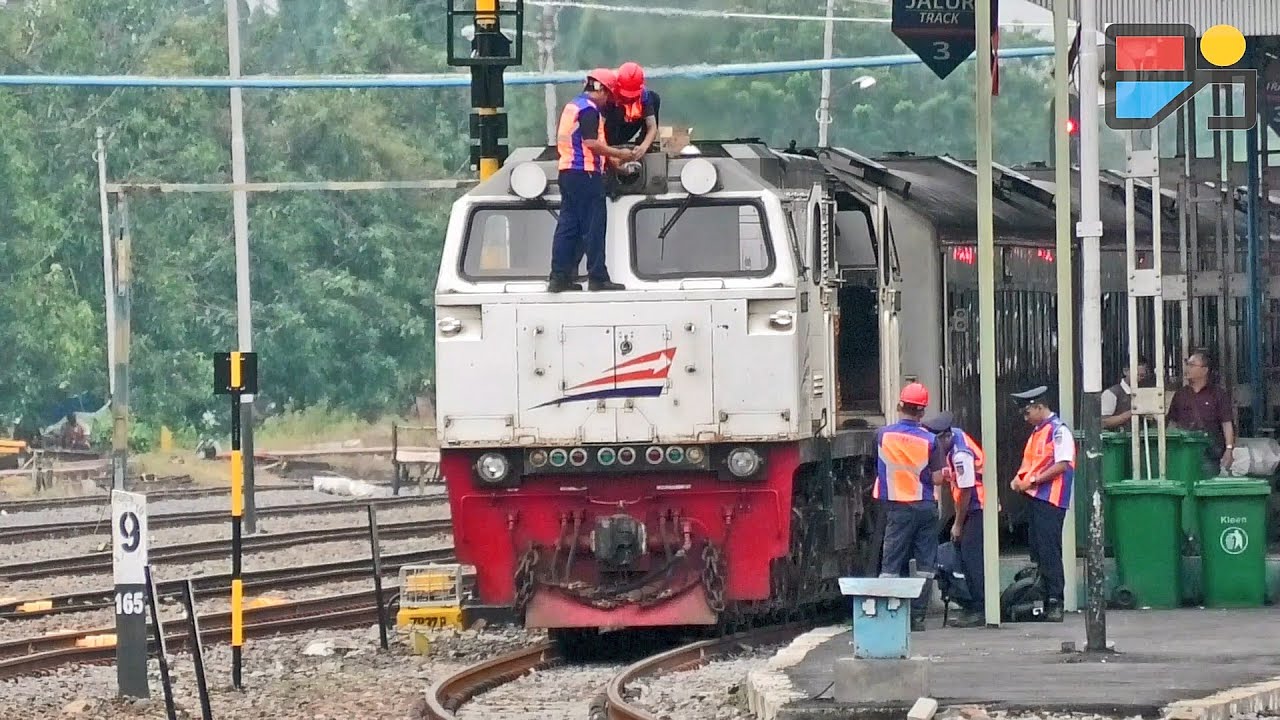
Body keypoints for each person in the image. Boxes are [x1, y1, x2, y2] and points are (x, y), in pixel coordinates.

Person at [547, 68, 632, 293]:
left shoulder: (573, 105)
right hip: (585, 174)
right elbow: (592, 143)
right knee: (594, 226)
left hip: (567, 173)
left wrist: (613, 163)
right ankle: (598, 278)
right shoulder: (589, 110)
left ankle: (559, 277)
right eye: (609, 95)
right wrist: (620, 153)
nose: (608, 101)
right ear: (602, 89)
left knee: (567, 226)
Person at [874, 382, 947, 632]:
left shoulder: (883, 435)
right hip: (926, 507)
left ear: (899, 406)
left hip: (898, 507)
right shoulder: (930, 440)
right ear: (922, 413)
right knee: (926, 565)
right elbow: (938, 478)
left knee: (891, 563)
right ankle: (918, 617)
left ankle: (889, 614)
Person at [1009, 385, 1074, 622]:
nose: (1025, 417)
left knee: (1049, 550)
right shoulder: (1038, 432)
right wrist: (1019, 479)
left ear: (1039, 406)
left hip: (1051, 499)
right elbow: (1031, 464)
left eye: (1027, 412)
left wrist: (1033, 481)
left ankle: (1056, 600)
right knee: (1038, 550)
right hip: (1035, 498)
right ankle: (1043, 596)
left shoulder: (1058, 431)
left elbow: (1062, 464)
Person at [924, 411, 987, 628]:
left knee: (972, 560)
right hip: (975, 507)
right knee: (966, 555)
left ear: (944, 437)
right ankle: (974, 606)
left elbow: (966, 491)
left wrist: (958, 524)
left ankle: (979, 610)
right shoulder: (957, 437)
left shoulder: (960, 455)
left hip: (977, 507)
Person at [1167, 350, 1235, 478]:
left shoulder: (1218, 394)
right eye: (1187, 364)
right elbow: (1172, 423)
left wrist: (1229, 448)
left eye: (1192, 365)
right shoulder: (1181, 394)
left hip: (1209, 452)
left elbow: (1227, 423)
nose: (1187, 368)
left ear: (1205, 370)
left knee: (1206, 483)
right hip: (1183, 451)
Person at [604, 61, 660, 155]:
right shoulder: (607, 93)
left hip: (627, 128)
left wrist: (644, 146)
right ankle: (611, 145)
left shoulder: (644, 95)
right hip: (609, 132)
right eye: (626, 95)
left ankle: (642, 143)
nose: (629, 98)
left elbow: (652, 126)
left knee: (654, 98)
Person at [1100, 356, 1150, 430]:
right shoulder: (1111, 393)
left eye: (1142, 376)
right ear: (1125, 371)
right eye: (1136, 375)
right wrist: (1133, 412)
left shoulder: (1146, 392)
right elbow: (1104, 422)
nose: (1139, 378)